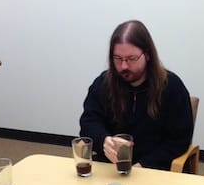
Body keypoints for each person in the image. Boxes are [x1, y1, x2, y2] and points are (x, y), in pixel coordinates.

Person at [80, 20, 194, 171]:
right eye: (118, 59)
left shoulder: (171, 86)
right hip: (111, 168)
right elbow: (88, 123)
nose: (124, 66)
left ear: (147, 55)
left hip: (155, 170)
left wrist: (144, 164)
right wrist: (103, 140)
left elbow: (179, 140)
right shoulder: (103, 84)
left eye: (131, 59)